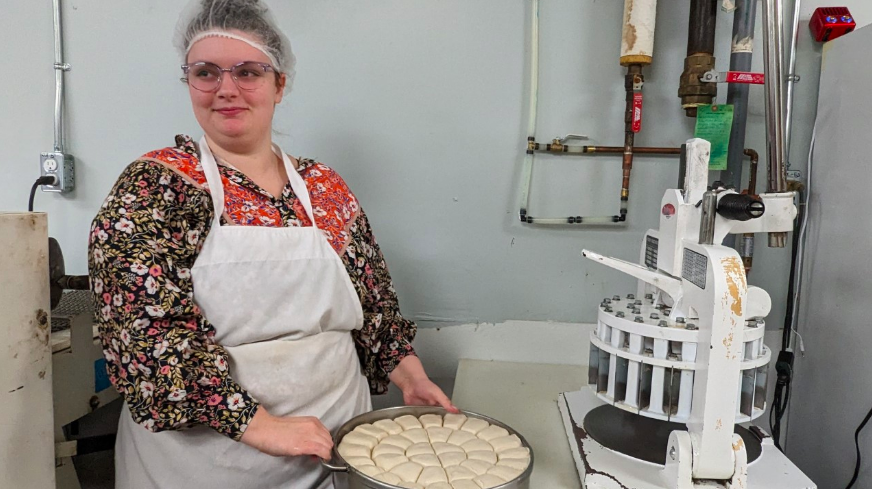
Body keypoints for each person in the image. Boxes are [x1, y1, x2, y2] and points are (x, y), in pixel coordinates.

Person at [87, 1, 456, 487]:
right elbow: (144, 337)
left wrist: (411, 375)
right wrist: (260, 426)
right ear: (189, 82)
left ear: (279, 84)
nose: (226, 89)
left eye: (248, 72)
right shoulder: (156, 186)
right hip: (208, 463)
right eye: (205, 72)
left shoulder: (324, 187)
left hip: (335, 445)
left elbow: (375, 304)